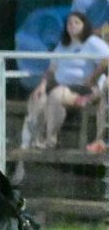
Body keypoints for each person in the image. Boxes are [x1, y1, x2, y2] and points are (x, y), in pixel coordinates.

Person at [21, 12, 109, 153]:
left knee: (56, 95)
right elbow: (51, 69)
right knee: (37, 99)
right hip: (63, 86)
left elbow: (106, 59)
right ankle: (33, 141)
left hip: (83, 88)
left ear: (84, 25)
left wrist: (93, 76)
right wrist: (42, 86)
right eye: (69, 23)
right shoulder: (63, 45)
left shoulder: (92, 42)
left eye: (76, 22)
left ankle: (51, 140)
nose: (72, 25)